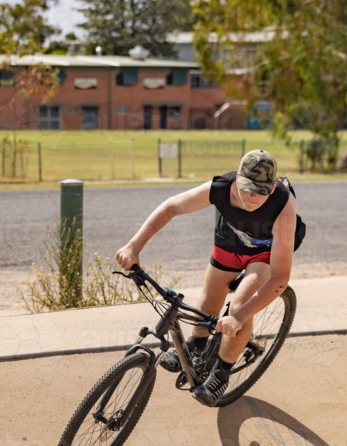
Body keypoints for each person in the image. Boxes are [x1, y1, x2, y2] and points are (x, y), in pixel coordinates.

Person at [115, 149, 304, 406]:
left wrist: (237, 317)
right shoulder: (221, 187)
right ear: (237, 177)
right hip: (232, 240)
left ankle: (221, 372)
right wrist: (134, 246)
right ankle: (198, 346)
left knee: (240, 306)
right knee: (208, 298)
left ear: (272, 188)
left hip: (267, 250)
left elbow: (280, 279)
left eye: (260, 191)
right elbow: (171, 208)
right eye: (246, 188)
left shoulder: (284, 207)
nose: (250, 196)